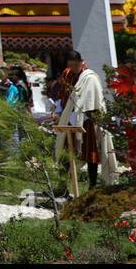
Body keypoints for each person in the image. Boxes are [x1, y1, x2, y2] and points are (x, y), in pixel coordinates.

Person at [59, 52, 117, 189]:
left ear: (81, 63)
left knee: (91, 153)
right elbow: (63, 95)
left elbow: (94, 99)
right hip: (70, 119)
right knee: (66, 152)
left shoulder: (90, 77)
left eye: (76, 64)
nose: (73, 67)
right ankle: (62, 186)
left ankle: (92, 185)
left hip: (88, 120)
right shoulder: (67, 75)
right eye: (70, 65)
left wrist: (85, 112)